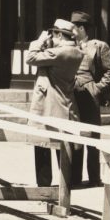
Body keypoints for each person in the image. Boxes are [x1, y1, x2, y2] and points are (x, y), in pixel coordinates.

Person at [23, 19, 84, 187]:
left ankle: (45, 186)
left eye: (53, 34)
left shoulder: (59, 53)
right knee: (63, 148)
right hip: (64, 106)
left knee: (42, 145)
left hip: (48, 107)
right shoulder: (75, 51)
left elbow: (30, 58)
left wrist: (40, 40)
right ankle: (67, 185)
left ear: (58, 34)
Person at [71, 10, 110, 188]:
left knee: (91, 136)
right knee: (75, 135)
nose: (71, 31)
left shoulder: (99, 46)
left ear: (81, 28)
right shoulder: (69, 45)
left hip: (90, 94)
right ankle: (75, 178)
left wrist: (97, 89)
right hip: (72, 94)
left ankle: (94, 178)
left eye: (74, 27)